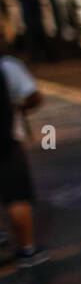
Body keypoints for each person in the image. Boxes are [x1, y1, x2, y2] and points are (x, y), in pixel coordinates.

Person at [0, 34, 49, 267]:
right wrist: (18, 108)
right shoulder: (8, 66)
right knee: (18, 195)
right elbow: (34, 97)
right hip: (7, 141)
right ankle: (28, 251)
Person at [12, 0, 54, 65]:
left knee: (32, 36)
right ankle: (47, 57)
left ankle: (36, 57)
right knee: (39, 35)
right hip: (33, 12)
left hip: (27, 13)